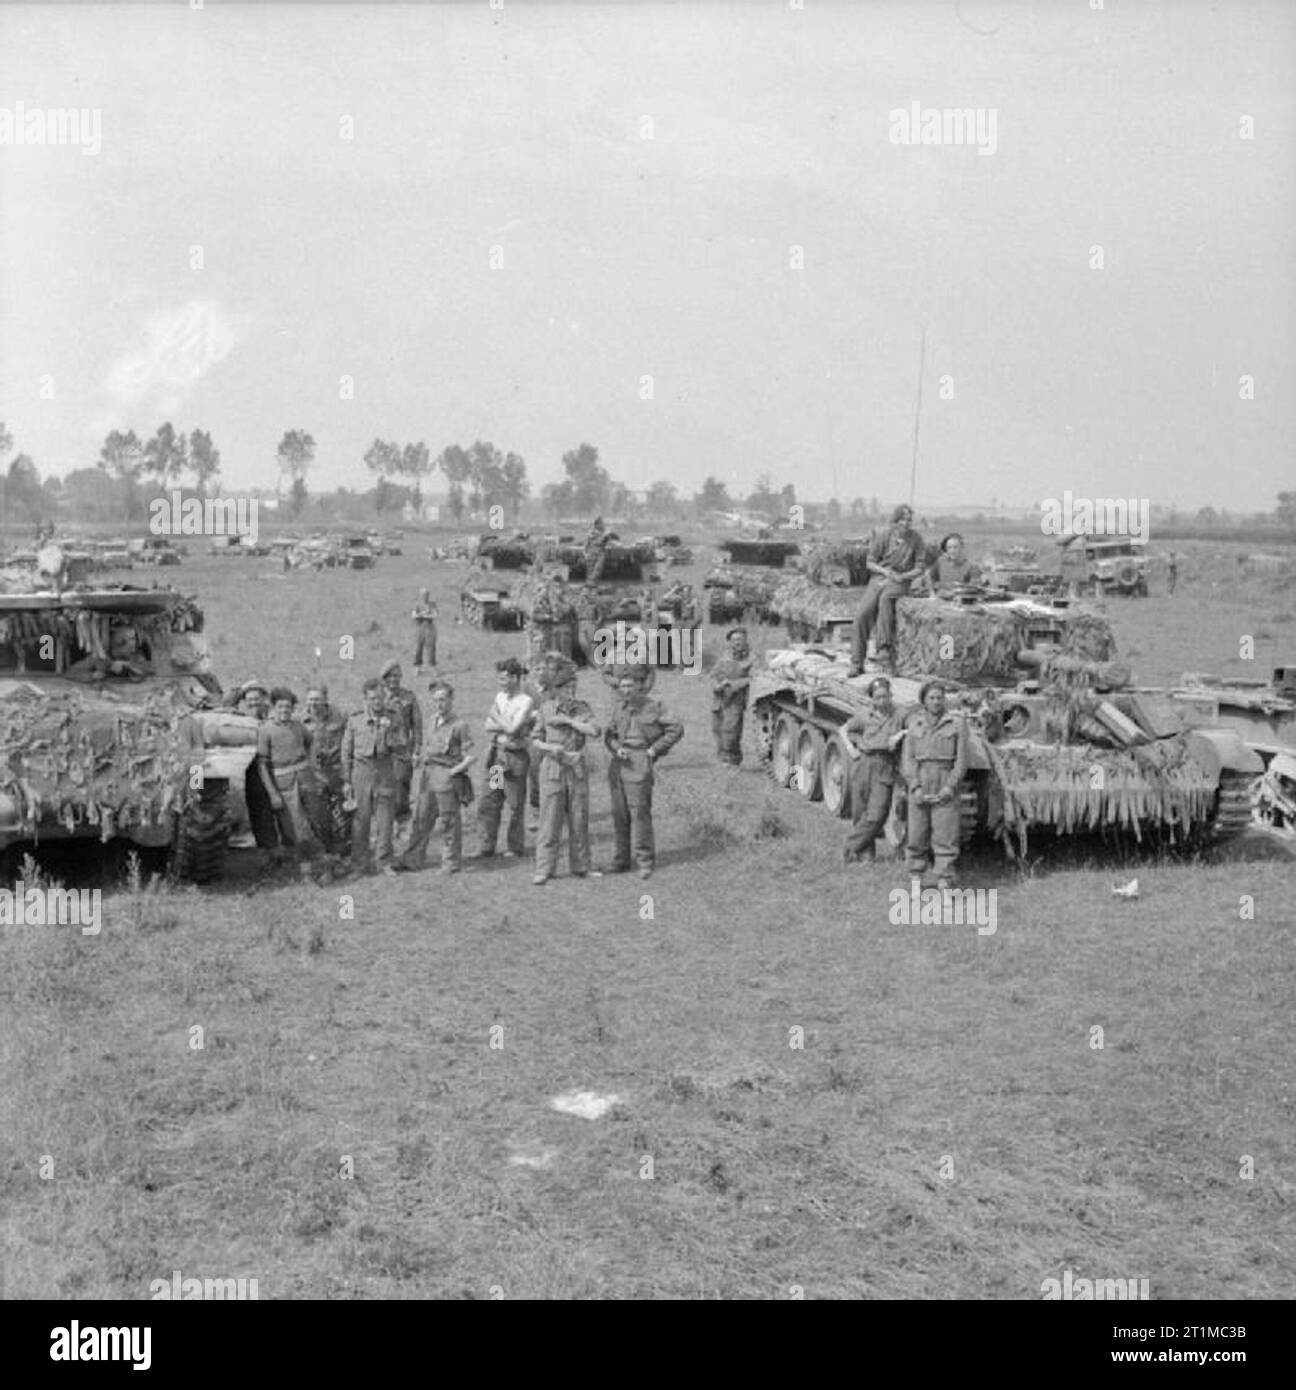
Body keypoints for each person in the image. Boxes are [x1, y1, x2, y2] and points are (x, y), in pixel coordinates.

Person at [603, 666, 683, 879]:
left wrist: (655, 749)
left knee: (639, 813)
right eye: (622, 686)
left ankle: (644, 860)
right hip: (618, 764)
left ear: (640, 686)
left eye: (630, 686)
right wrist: (615, 747)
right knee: (619, 814)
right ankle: (621, 859)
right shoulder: (619, 707)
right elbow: (609, 734)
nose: (626, 690)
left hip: (640, 760)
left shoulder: (653, 706)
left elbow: (676, 728)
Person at [531, 656, 602, 884]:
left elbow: (594, 731)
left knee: (579, 820)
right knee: (549, 821)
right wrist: (553, 749)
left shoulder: (583, 708)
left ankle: (581, 866)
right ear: (557, 690)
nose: (571, 692)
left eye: (574, 687)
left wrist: (569, 722)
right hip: (553, 768)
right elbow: (535, 740)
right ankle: (544, 869)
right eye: (566, 688)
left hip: (577, 769)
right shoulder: (545, 708)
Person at [399, 680, 474, 874]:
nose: (439, 704)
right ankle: (413, 859)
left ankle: (451, 862)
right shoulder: (432, 720)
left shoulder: (460, 725)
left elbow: (470, 756)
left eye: (443, 699)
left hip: (447, 777)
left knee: (449, 820)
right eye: (436, 700)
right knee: (421, 817)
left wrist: (453, 772)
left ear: (451, 700)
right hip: (428, 775)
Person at [900, 681, 968, 888]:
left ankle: (944, 879)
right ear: (924, 701)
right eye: (931, 698)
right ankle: (915, 876)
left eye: (939, 697)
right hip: (920, 778)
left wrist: (951, 786)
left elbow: (962, 760)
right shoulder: (915, 724)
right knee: (917, 832)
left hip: (945, 777)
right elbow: (908, 759)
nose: (936, 702)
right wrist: (915, 786)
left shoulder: (956, 724)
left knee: (945, 834)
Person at [849, 505, 927, 676]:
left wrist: (904, 575)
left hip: (901, 580)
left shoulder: (916, 539)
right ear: (895, 520)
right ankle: (856, 662)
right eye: (902, 519)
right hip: (880, 578)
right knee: (862, 614)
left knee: (886, 599)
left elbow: (920, 567)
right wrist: (885, 572)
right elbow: (870, 562)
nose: (905, 523)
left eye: (908, 520)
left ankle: (883, 647)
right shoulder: (884, 536)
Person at [258, 687, 326, 875]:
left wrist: (311, 764)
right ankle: (311, 866)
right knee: (296, 827)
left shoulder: (297, 726)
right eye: (280, 707)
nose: (284, 711)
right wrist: (272, 794)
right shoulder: (266, 730)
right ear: (273, 707)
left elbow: (310, 742)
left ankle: (318, 864)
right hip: (283, 783)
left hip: (305, 777)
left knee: (315, 818)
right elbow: (262, 765)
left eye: (288, 707)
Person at [342, 678, 405, 875]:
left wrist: (388, 733)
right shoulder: (355, 719)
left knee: (385, 820)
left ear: (385, 697)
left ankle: (384, 861)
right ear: (366, 699)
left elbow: (402, 746)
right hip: (361, 773)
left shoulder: (394, 718)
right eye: (372, 698)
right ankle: (359, 864)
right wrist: (346, 781)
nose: (377, 701)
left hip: (384, 770)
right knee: (361, 821)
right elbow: (346, 751)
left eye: (380, 697)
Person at [842, 676, 907, 863]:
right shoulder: (865, 715)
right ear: (872, 698)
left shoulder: (899, 714)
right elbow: (845, 729)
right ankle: (866, 854)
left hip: (884, 763)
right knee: (860, 810)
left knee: (877, 814)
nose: (882, 701)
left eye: (885, 696)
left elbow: (917, 725)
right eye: (877, 697)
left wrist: (901, 734)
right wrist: (851, 748)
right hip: (863, 763)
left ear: (891, 695)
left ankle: (849, 846)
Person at [477, 657, 535, 858]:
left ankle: (515, 846)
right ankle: (487, 845)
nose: (500, 682)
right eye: (499, 678)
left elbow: (513, 727)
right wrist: (504, 723)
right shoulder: (499, 697)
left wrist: (497, 717)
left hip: (515, 758)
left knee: (515, 804)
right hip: (498, 759)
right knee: (491, 798)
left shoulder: (525, 701)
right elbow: (488, 726)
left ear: (515, 678)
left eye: (504, 678)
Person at [303, 683, 350, 871]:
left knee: (344, 816)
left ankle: (344, 855)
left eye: (317, 699)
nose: (313, 703)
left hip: (337, 771)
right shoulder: (301, 720)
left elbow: (349, 741)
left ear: (325, 699)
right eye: (310, 699)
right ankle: (326, 855)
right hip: (315, 774)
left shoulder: (340, 716)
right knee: (319, 817)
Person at [237, 679, 279, 854]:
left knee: (283, 806)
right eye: (249, 699)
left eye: (256, 698)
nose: (253, 702)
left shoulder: (275, 717)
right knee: (259, 807)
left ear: (264, 699)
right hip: (253, 769)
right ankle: (267, 848)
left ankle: (289, 847)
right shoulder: (241, 721)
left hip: (276, 766)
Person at [380, 660, 422, 826]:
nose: (393, 680)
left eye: (397, 676)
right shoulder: (378, 698)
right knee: (382, 789)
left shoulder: (409, 697)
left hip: (402, 751)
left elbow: (417, 726)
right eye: (390, 676)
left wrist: (417, 751)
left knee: (401, 788)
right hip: (382, 751)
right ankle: (384, 825)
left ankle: (402, 822)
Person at [711, 627, 752, 765]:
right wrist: (716, 685)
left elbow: (754, 678)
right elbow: (714, 674)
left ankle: (730, 758)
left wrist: (733, 684)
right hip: (719, 698)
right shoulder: (724, 656)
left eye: (739, 639)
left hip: (736, 699)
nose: (736, 642)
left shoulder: (752, 658)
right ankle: (727, 756)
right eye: (733, 640)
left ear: (745, 640)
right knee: (717, 728)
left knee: (731, 729)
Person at [412, 589, 439, 669]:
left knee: (431, 648)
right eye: (423, 595)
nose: (425, 597)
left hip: (430, 629)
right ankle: (418, 668)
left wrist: (422, 615)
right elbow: (413, 615)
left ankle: (433, 667)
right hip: (420, 629)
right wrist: (424, 614)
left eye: (426, 595)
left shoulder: (432, 604)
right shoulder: (417, 605)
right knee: (418, 648)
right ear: (420, 596)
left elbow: (435, 615)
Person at [584, 515, 610, 581]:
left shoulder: (604, 533)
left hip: (600, 554)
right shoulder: (592, 533)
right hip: (592, 554)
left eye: (602, 523)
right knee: (591, 571)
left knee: (597, 571)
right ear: (597, 524)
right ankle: (589, 587)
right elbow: (586, 545)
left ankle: (593, 587)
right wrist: (585, 554)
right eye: (601, 523)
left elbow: (606, 542)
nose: (603, 524)